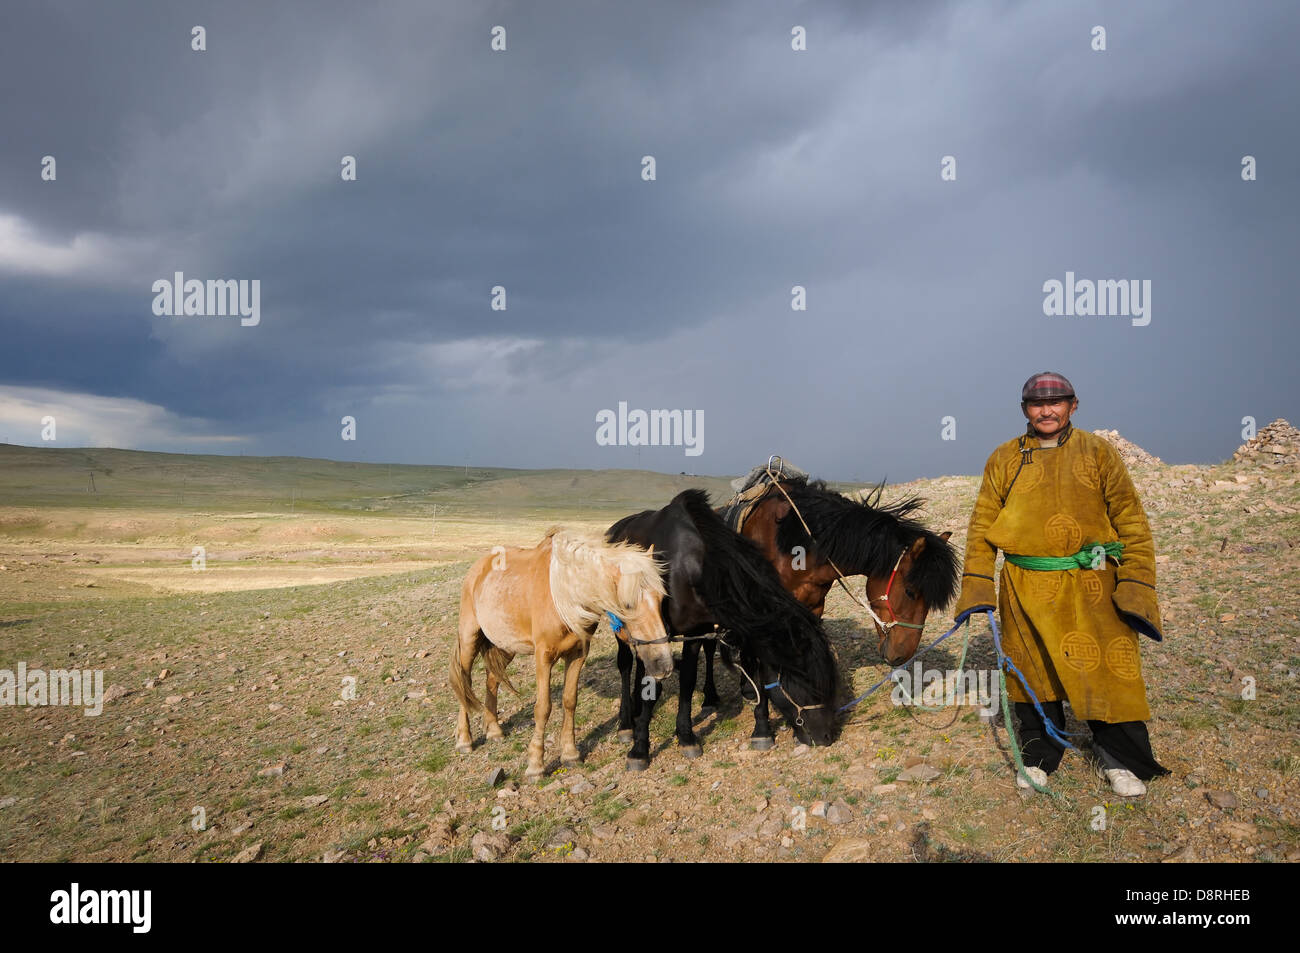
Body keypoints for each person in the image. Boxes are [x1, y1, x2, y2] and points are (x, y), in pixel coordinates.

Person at [952, 372, 1169, 796]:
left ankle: (1120, 760)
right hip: (1022, 586)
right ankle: (1038, 759)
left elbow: (1131, 520)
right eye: (1037, 404)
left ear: (1073, 405)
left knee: (1108, 672)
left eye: (1056, 402)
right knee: (1032, 675)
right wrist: (977, 588)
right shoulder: (1003, 458)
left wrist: (1136, 585)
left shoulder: (1098, 452)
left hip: (1091, 584)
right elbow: (981, 526)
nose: (1046, 411)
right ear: (1024, 410)